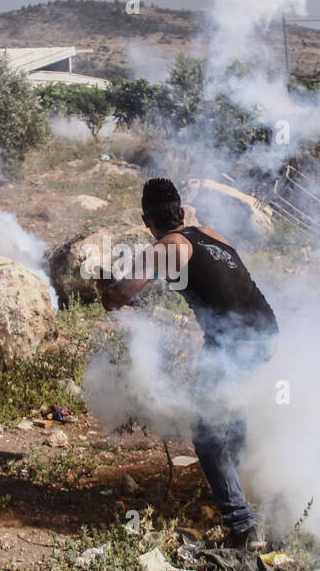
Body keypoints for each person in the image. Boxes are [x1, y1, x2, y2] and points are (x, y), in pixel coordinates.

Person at [98, 177, 278, 551]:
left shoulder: (165, 248)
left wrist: (104, 283)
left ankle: (244, 526)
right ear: (181, 212)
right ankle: (254, 487)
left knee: (208, 434)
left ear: (147, 222)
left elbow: (117, 298)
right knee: (232, 413)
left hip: (233, 342)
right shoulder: (211, 234)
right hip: (266, 332)